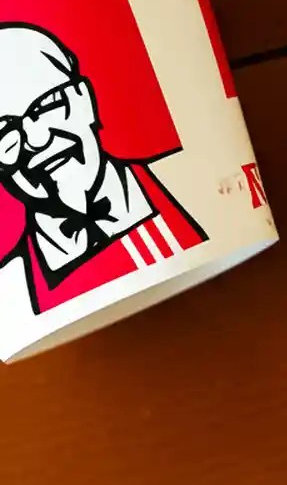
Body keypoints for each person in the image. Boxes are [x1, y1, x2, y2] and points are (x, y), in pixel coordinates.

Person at [0, 23, 205, 315]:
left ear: (86, 100)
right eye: (4, 132)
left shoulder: (195, 182)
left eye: (48, 104)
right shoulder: (9, 293)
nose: (37, 139)